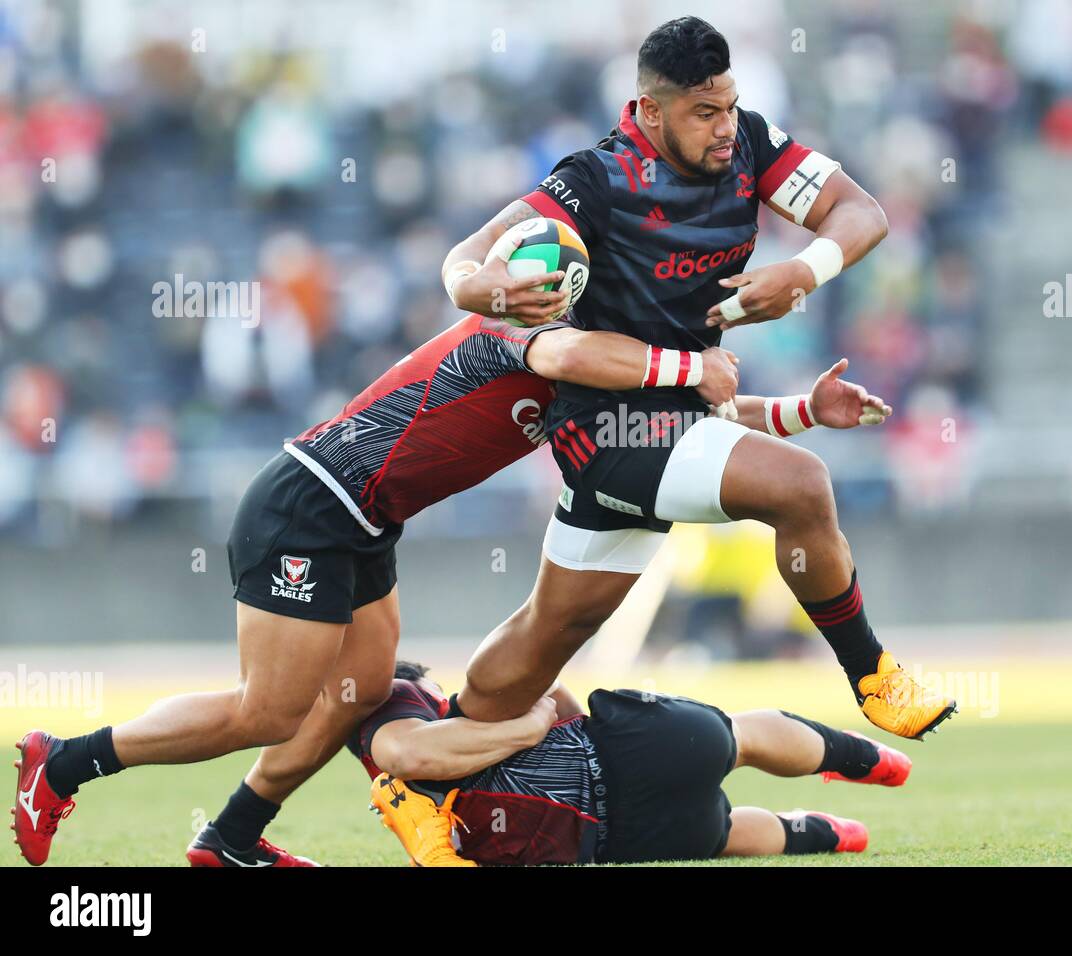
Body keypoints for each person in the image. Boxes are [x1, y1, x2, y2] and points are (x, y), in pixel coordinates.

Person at [12, 307, 740, 868]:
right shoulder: (527, 329)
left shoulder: (587, 369)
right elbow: (575, 351)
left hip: (362, 521)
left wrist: (797, 410)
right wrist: (684, 363)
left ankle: (233, 836)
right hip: (311, 506)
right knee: (267, 710)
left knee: (355, 693)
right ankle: (64, 761)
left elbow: (668, 431)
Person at [441, 16, 956, 737]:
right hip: (608, 432)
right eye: (703, 113)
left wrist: (803, 270)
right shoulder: (595, 180)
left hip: (685, 424)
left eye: (730, 105)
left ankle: (433, 746)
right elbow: (466, 259)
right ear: (650, 111)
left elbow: (860, 212)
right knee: (801, 486)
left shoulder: (750, 144)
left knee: (542, 640)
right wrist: (485, 290)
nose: (724, 127)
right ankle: (873, 678)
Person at [355, 659, 914, 866]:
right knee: (737, 747)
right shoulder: (424, 729)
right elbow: (548, 688)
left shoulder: (416, 761)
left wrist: (525, 730)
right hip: (619, 776)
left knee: (725, 820)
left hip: (610, 830)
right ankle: (856, 774)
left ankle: (837, 815)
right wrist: (533, 727)